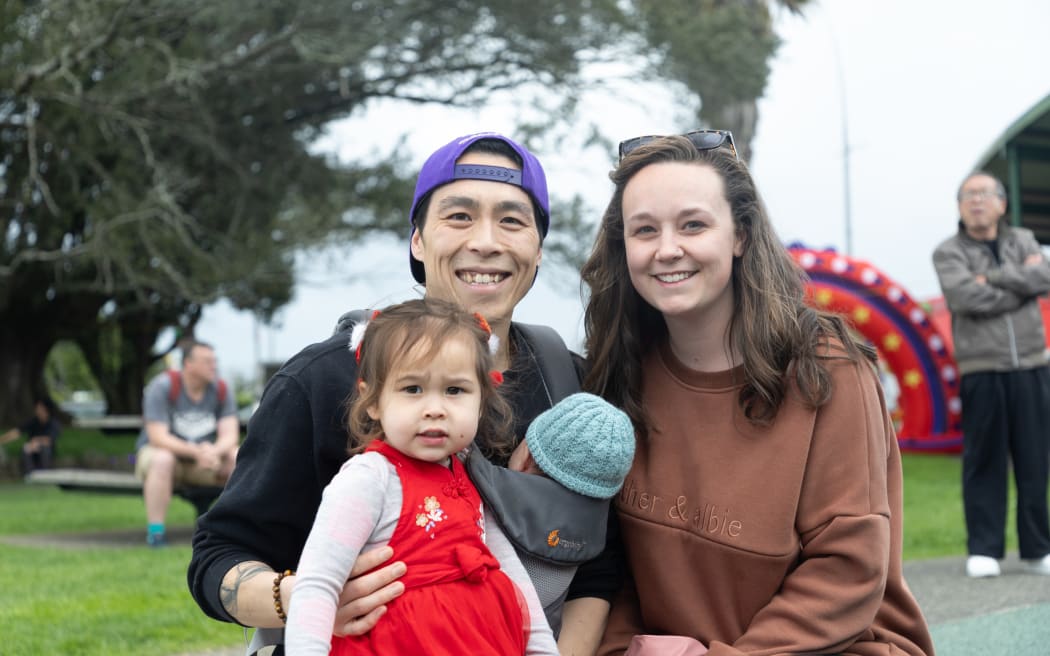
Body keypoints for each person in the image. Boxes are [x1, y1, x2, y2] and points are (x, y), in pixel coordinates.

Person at [188, 132, 619, 656]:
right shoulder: (322, 381)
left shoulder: (573, 389)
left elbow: (601, 566)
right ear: (417, 240)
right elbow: (220, 554)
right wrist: (299, 597)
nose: (486, 240)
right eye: (458, 216)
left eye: (512, 220)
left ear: (537, 248)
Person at [580, 132, 934, 655]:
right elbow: (617, 568)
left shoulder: (826, 369)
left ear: (740, 235)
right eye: (645, 230)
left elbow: (846, 570)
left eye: (693, 224)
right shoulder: (621, 377)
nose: (667, 249)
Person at [286, 298, 558, 655]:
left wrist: (541, 649)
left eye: (455, 390)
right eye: (412, 389)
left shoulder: (468, 478)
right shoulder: (369, 479)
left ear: (481, 400)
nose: (434, 409)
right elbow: (318, 583)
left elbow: (513, 576)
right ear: (374, 400)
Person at [932, 171, 1050, 578]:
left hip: (1033, 365)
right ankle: (984, 549)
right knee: (985, 459)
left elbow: (1045, 277)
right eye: (968, 195)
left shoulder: (1025, 241)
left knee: (1035, 458)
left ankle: (1037, 548)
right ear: (960, 206)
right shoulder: (948, 252)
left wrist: (995, 278)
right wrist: (1022, 284)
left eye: (984, 194)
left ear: (1002, 203)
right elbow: (966, 296)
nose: (976, 201)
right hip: (982, 369)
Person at [136, 339, 238, 547]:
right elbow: (158, 437)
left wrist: (213, 451)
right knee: (163, 459)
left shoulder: (220, 389)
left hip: (203, 460)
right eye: (207, 361)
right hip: (161, 456)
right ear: (188, 364)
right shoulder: (162, 386)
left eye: (214, 361)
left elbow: (230, 434)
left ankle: (237, 532)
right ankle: (156, 534)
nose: (214, 365)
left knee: (237, 456)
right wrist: (195, 452)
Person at [0, 395, 61, 474]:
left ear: (47, 409)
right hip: (31, 448)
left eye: (40, 408)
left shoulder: (54, 423)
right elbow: (17, 432)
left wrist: (36, 442)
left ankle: (44, 474)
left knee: (44, 449)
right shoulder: (33, 421)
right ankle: (30, 475)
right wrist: (1, 440)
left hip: (46, 450)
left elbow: (49, 440)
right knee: (26, 449)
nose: (37, 410)